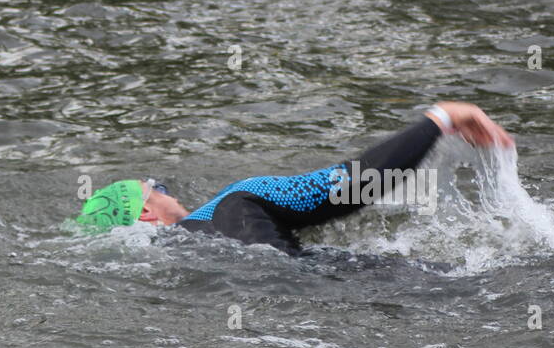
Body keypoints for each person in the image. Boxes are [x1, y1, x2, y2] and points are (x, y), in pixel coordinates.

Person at [72, 101, 514, 255]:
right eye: (158, 190)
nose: (169, 192)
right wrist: (439, 119)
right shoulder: (237, 200)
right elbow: (359, 184)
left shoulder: (179, 259)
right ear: (147, 216)